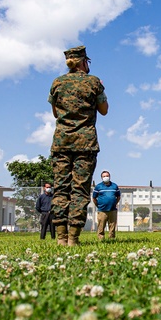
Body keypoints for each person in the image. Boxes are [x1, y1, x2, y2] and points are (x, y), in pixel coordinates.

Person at [49, 45, 108, 246]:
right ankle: (73, 237)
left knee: (61, 188)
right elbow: (104, 110)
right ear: (84, 62)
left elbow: (55, 113)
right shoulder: (94, 82)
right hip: (86, 143)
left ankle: (61, 237)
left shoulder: (57, 82)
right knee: (80, 190)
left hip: (61, 143)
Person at [92, 170, 121, 240]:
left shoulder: (114, 186)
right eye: (104, 176)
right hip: (102, 210)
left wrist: (114, 203)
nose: (106, 177)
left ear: (109, 176)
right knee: (101, 227)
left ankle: (112, 239)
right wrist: (98, 205)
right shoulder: (98, 186)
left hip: (112, 210)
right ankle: (101, 240)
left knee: (112, 226)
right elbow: (94, 198)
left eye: (107, 176)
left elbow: (118, 196)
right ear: (101, 178)